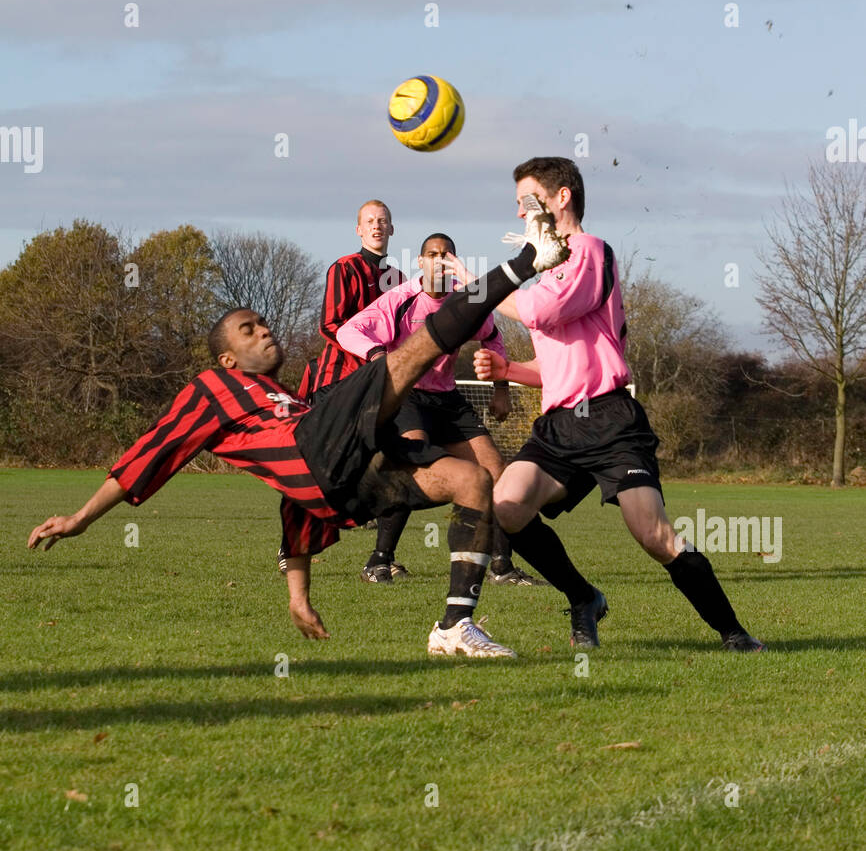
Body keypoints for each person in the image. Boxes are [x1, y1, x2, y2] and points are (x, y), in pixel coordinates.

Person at [28, 203, 570, 658]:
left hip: (342, 476)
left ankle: (455, 627)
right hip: (326, 448)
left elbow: (296, 496)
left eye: (263, 325)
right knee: (409, 356)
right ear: (226, 359)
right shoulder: (214, 389)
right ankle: (528, 259)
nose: (263, 332)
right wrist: (79, 518)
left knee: (471, 479)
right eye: (249, 331)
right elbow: (153, 453)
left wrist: (298, 596)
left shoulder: (284, 399)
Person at [473, 156, 764, 653]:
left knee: (654, 536)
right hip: (560, 425)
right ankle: (584, 598)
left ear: (561, 197)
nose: (521, 212)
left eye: (528, 199)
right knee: (507, 504)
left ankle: (734, 633)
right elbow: (561, 369)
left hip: (610, 420)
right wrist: (509, 372)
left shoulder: (589, 250)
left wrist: (484, 285)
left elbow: (539, 311)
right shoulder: (547, 271)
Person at [336, 231, 542, 586]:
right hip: (409, 396)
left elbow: (492, 335)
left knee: (495, 471)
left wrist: (501, 389)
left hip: (447, 398)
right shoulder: (400, 298)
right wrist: (377, 355)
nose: (439, 260)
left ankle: (502, 567)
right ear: (420, 262)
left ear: (454, 262)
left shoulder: (465, 301)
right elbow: (349, 330)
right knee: (413, 463)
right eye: (432, 254)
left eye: (446, 254)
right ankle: (379, 559)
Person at [298, 199, 412, 583]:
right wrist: (371, 355)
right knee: (323, 470)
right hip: (341, 381)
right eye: (369, 221)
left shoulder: (398, 278)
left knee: (396, 462)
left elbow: (402, 332)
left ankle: (381, 559)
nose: (377, 226)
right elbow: (331, 325)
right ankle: (291, 546)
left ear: (392, 229)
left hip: (382, 386)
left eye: (383, 221)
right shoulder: (344, 268)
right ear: (359, 229)